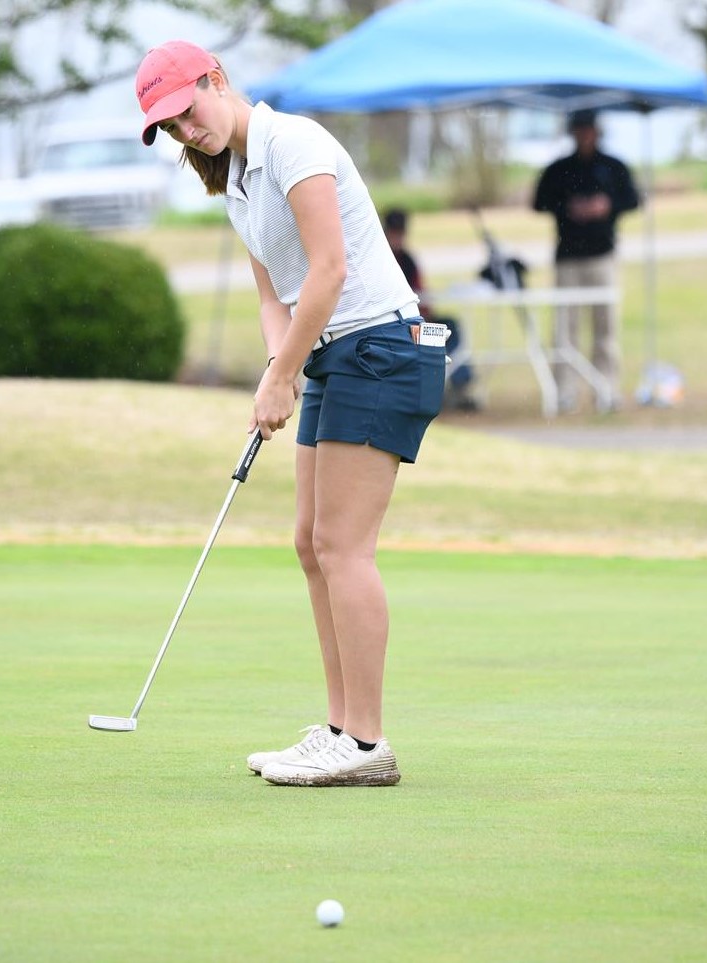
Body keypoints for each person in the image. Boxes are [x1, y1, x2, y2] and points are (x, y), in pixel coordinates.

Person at [136, 39, 445, 787]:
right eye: (170, 127)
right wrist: (277, 375)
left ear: (217, 81)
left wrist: (281, 377)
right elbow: (275, 294)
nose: (186, 131)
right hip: (336, 354)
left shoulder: (294, 143)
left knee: (343, 546)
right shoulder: (237, 182)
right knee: (310, 543)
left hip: (382, 347)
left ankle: (367, 744)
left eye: (186, 111)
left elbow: (331, 269)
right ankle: (339, 727)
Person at [532, 109, 641, 409]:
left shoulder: (612, 166)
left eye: (589, 129)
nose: (585, 135)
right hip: (568, 255)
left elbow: (633, 199)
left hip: (602, 254)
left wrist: (605, 206)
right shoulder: (559, 169)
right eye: (579, 129)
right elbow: (539, 201)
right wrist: (570, 207)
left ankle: (606, 389)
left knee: (605, 325)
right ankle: (565, 392)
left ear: (597, 131)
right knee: (565, 327)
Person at [382, 207, 477, 412]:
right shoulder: (382, 259)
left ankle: (460, 383)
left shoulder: (408, 259)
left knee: (451, 326)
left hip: (417, 318)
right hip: (396, 323)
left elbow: (421, 292)